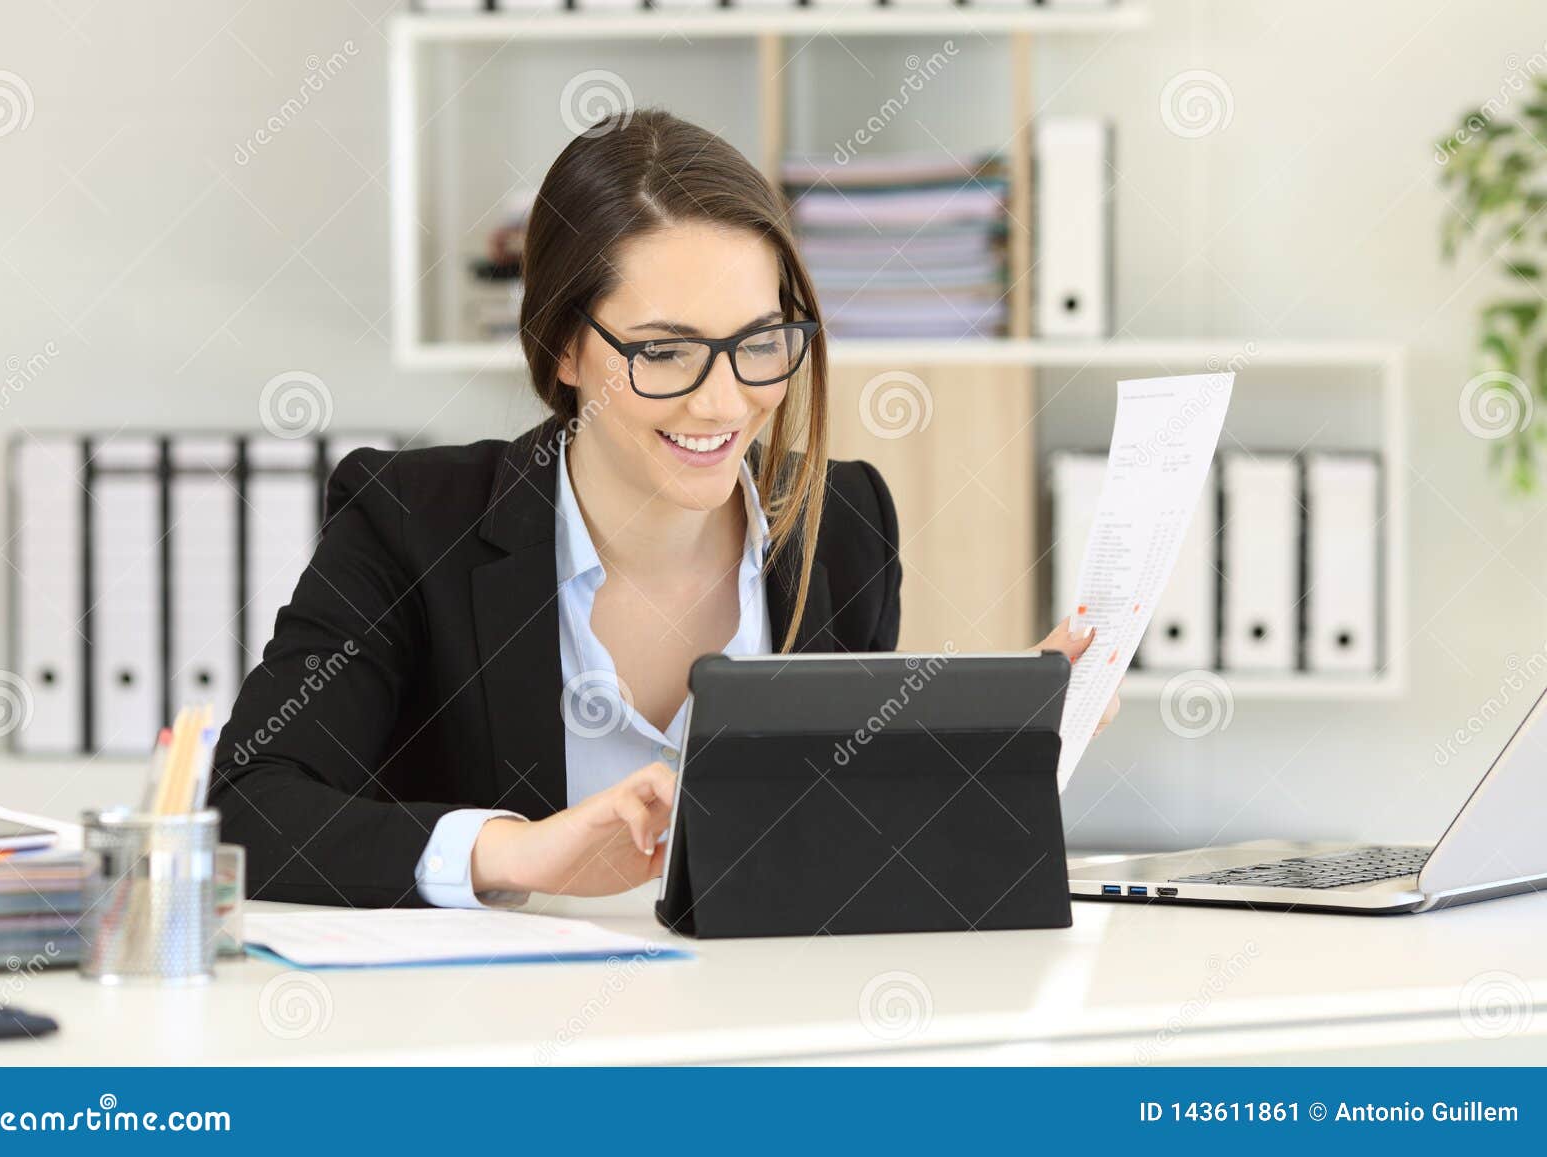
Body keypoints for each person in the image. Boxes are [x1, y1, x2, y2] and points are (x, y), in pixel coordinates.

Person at [209, 108, 1118, 909]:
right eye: (665, 353)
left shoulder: (842, 524)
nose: (723, 403)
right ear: (563, 347)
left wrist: (986, 746)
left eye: (761, 342)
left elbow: (839, 845)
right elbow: (248, 804)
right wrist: (515, 851)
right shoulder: (410, 520)